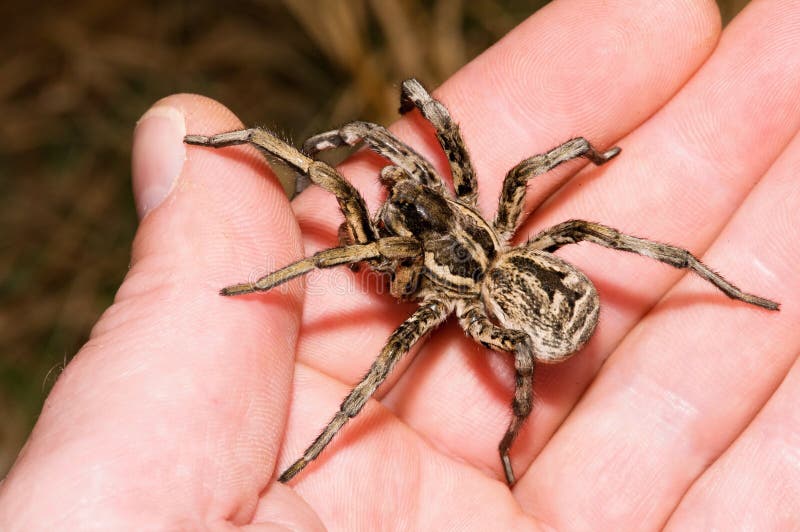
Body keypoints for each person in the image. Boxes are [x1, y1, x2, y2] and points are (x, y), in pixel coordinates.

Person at [1, 0, 798, 529]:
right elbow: (400, 139)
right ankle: (718, 289)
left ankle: (721, 291)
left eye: (415, 195)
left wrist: (514, 427)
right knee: (554, 220)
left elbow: (405, 178)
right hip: (503, 266)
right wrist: (358, 130)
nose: (398, 196)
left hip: (513, 306)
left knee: (417, 313)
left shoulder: (438, 280)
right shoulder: (463, 202)